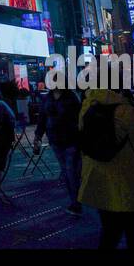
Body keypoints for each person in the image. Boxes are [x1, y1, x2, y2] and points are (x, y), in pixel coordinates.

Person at [77, 88, 134, 248]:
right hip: (129, 182)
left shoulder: (86, 109)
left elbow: (85, 149)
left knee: (109, 233)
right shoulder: (127, 111)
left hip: (100, 183)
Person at [35, 86, 84, 215]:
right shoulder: (47, 98)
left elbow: (79, 117)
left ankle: (76, 203)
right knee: (67, 171)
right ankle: (75, 199)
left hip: (70, 139)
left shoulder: (71, 97)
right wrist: (38, 136)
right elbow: (42, 118)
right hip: (55, 140)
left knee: (70, 172)